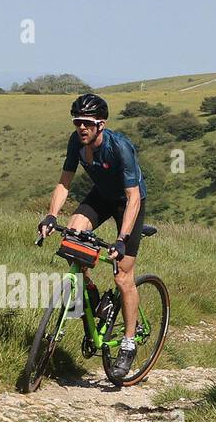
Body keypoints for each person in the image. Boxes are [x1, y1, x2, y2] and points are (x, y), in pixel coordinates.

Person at [38, 92, 147, 377]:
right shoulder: (76, 142)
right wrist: (51, 216)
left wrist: (122, 240)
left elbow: (133, 197)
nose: (81, 128)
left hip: (128, 204)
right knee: (72, 237)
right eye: (77, 122)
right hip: (101, 197)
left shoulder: (119, 147)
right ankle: (95, 298)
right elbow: (64, 182)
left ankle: (128, 342)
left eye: (87, 123)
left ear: (101, 124)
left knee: (123, 275)